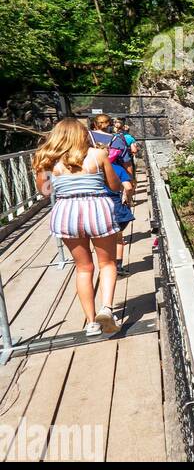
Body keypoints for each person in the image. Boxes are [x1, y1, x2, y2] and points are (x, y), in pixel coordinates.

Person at [34, 118, 124, 337]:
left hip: (66, 212)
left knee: (83, 268)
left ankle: (91, 323)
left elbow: (45, 192)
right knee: (107, 263)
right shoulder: (98, 155)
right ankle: (106, 309)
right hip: (97, 209)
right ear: (83, 135)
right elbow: (114, 185)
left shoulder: (46, 160)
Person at [90, 114, 135, 275]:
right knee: (118, 238)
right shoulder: (117, 166)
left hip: (95, 207)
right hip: (114, 204)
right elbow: (128, 186)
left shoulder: (90, 168)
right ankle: (117, 266)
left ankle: (106, 265)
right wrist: (127, 197)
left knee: (102, 240)